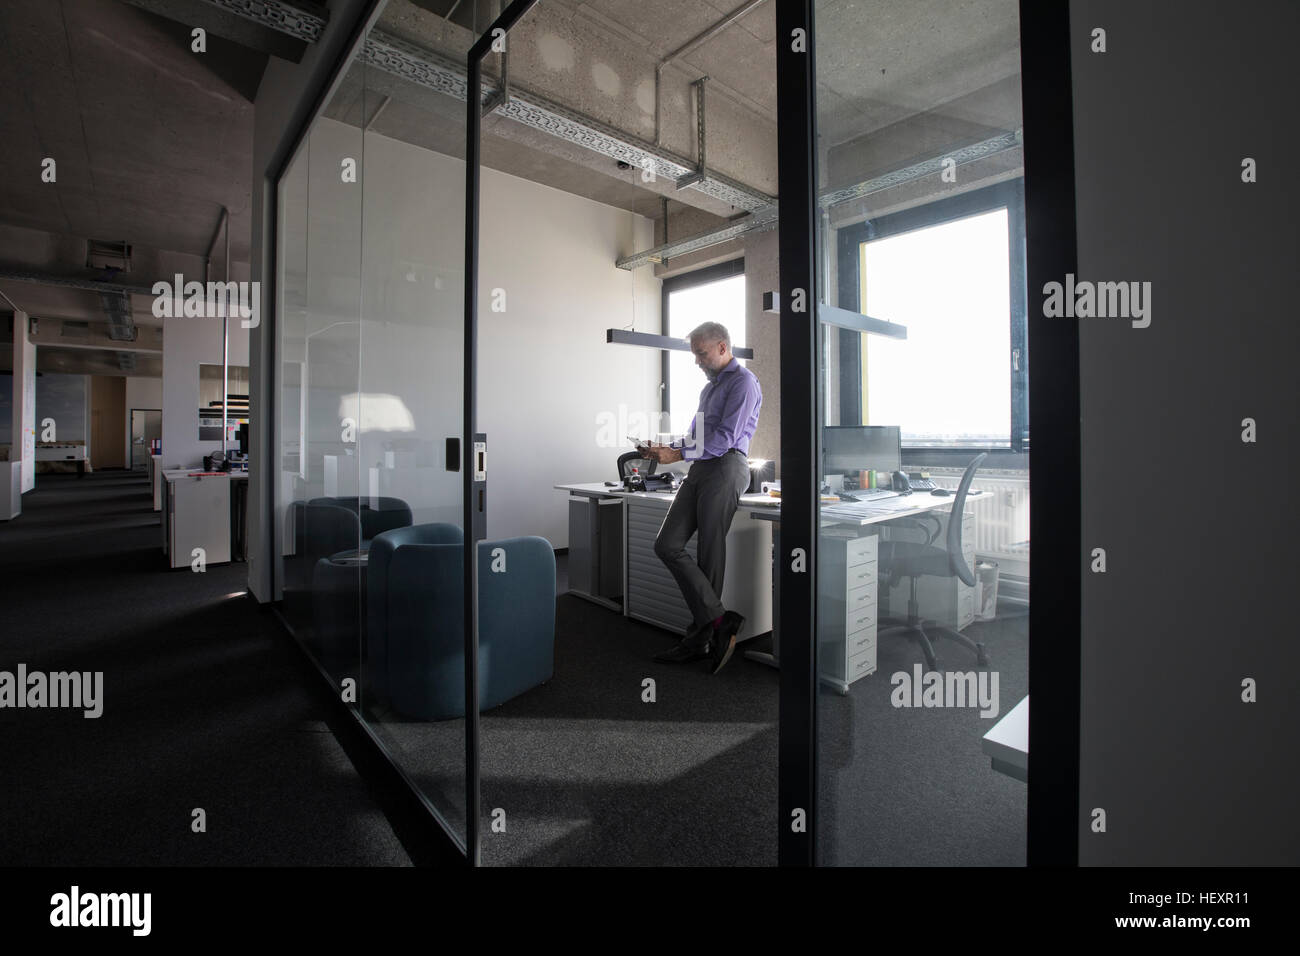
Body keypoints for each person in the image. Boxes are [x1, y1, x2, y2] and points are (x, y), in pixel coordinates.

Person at [638, 321, 761, 674]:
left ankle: (697, 640)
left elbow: (724, 438)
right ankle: (721, 621)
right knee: (667, 544)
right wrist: (666, 449)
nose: (697, 361)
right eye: (695, 354)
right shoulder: (711, 389)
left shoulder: (743, 383)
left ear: (723, 347)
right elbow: (697, 436)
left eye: (701, 353)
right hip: (701, 469)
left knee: (710, 551)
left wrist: (677, 455)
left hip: (726, 468)